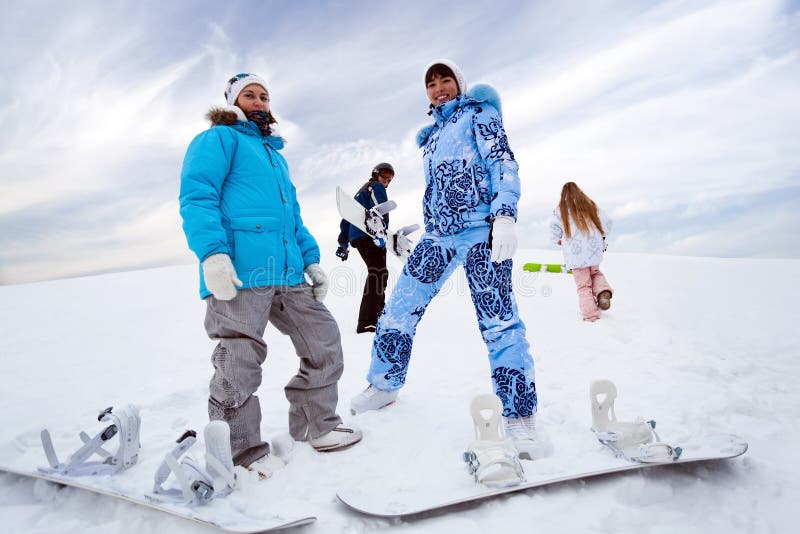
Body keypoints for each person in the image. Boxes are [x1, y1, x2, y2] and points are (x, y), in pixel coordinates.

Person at [349, 60, 546, 459]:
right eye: (431, 84)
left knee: (499, 321)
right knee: (398, 309)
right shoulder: (433, 137)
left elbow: (502, 161)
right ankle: (385, 385)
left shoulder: (479, 113)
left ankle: (519, 413)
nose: (439, 88)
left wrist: (505, 216)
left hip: (481, 231)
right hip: (438, 236)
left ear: (459, 83)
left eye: (445, 80)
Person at [179, 73, 362, 471]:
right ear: (233, 102)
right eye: (250, 95)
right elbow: (197, 197)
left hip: (287, 272)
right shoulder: (219, 139)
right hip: (240, 272)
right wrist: (213, 254)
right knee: (238, 361)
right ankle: (240, 454)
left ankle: (316, 425)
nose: (259, 101)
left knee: (323, 339)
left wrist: (310, 260)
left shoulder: (275, 156)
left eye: (264, 96)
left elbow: (292, 216)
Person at [336, 163, 395, 334]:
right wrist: (380, 232)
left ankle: (379, 313)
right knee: (378, 273)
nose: (386, 180)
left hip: (358, 237)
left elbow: (347, 218)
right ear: (376, 174)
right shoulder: (375, 187)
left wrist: (343, 243)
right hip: (370, 235)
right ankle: (368, 321)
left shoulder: (359, 194)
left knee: (379, 272)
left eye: (389, 179)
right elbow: (379, 209)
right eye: (384, 175)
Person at [549, 182, 613, 322]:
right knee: (595, 273)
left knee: (583, 285)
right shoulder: (590, 204)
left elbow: (553, 228)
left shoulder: (560, 210)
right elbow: (607, 221)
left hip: (576, 254)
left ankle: (591, 315)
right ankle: (603, 292)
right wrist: (602, 234)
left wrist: (557, 239)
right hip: (594, 249)